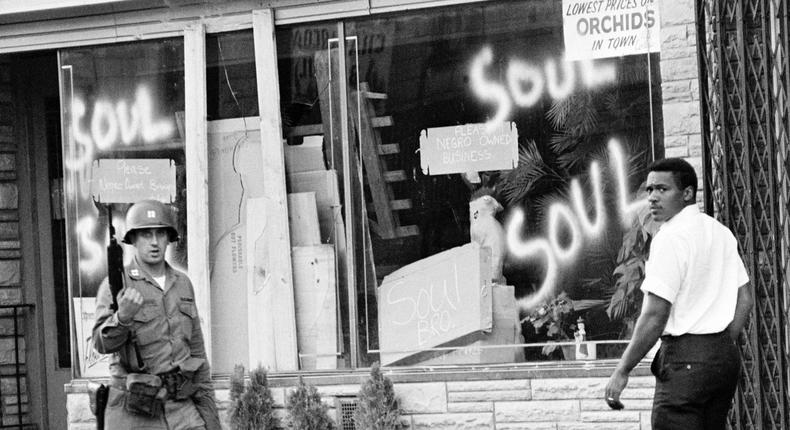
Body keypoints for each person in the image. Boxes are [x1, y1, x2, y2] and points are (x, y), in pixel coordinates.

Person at [604, 158, 754, 429]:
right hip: (722, 359)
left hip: (685, 362)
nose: (652, 197)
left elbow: (654, 316)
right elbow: (745, 298)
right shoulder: (719, 232)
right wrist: (716, 343)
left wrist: (622, 369)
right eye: (649, 190)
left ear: (687, 193)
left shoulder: (670, 237)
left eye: (662, 189)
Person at [93, 199, 220, 430]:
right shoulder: (115, 286)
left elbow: (198, 353)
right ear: (132, 239)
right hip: (136, 413)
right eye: (145, 234)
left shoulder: (183, 284)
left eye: (160, 234)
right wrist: (122, 318)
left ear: (169, 238)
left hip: (181, 408)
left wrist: (211, 421)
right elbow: (101, 344)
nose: (154, 242)